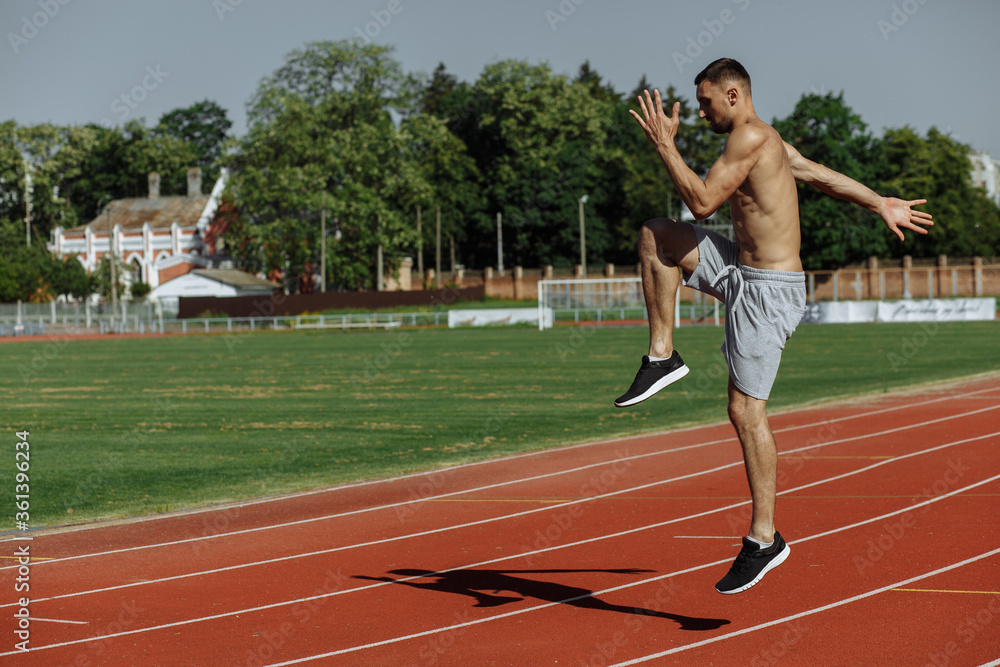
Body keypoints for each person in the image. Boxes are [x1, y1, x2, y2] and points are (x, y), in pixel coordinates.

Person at [615, 58, 933, 595]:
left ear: (733, 95)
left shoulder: (750, 137)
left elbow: (701, 203)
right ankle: (662, 356)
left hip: (768, 291)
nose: (698, 113)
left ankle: (765, 539)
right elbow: (818, 175)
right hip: (740, 266)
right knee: (656, 236)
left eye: (705, 102)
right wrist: (880, 201)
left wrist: (665, 144)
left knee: (745, 410)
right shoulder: (769, 142)